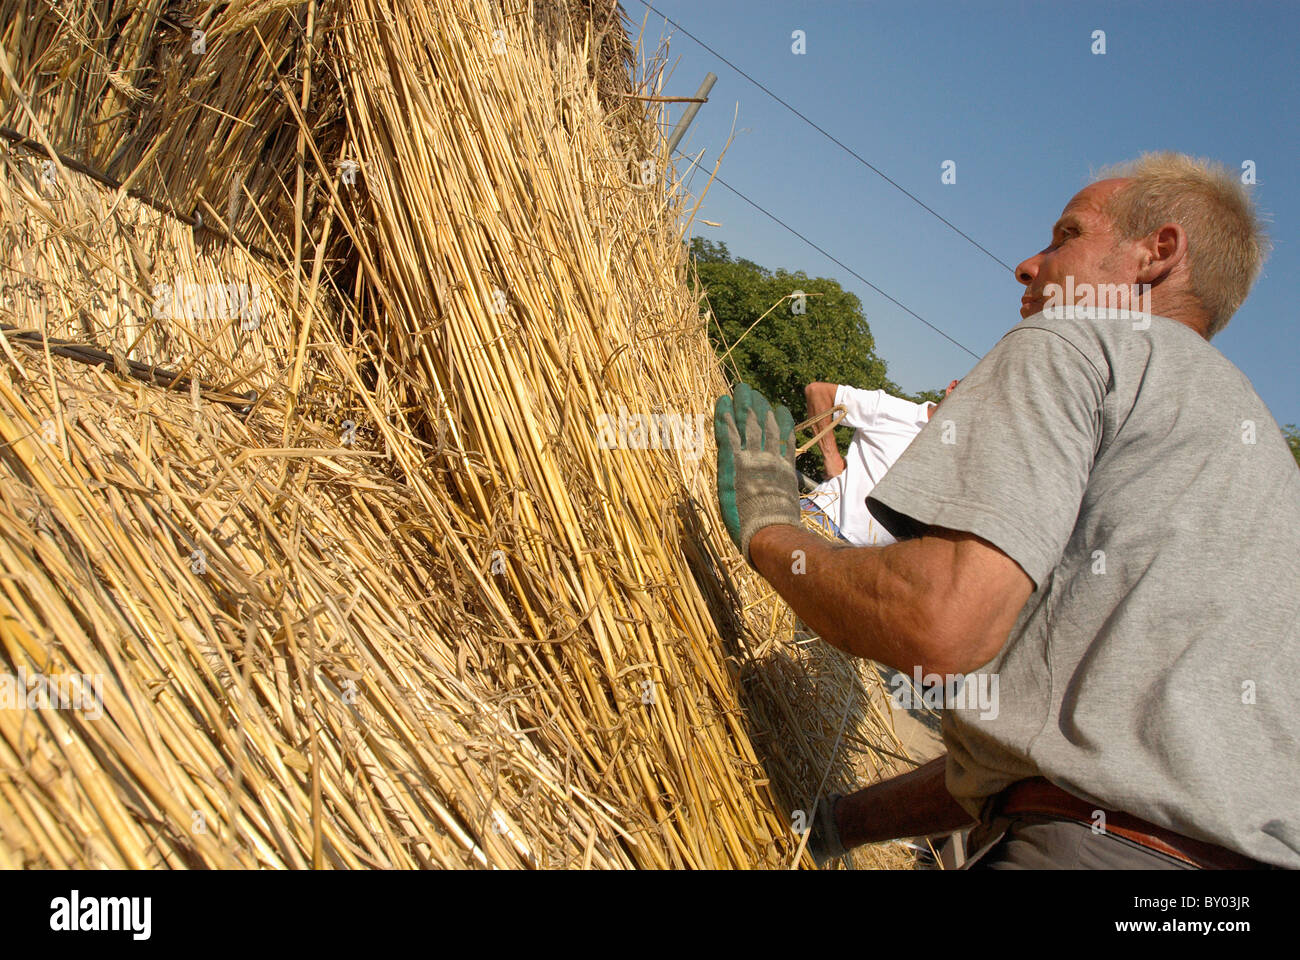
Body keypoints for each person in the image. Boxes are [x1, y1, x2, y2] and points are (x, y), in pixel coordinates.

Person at [713, 152, 1298, 869]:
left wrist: (772, 531)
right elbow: (1048, 766)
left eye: (1065, 236)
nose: (1028, 264)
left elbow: (939, 622)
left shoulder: (1081, 343)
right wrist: (837, 825)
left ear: (1158, 252)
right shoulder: (1259, 463)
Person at [800, 380, 959, 546]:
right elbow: (818, 392)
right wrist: (831, 457)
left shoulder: (956, 457)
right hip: (822, 521)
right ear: (952, 388)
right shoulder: (894, 409)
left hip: (869, 558)